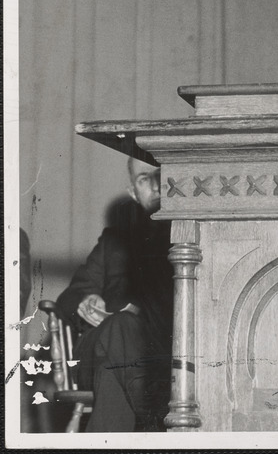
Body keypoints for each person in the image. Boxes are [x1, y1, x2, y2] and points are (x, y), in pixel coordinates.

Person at [56, 158, 173, 432]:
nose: (156, 187)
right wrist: (86, 299)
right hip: (97, 349)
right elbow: (68, 298)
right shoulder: (114, 240)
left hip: (154, 357)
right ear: (133, 191)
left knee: (112, 378)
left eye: (161, 176)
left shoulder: (187, 239)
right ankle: (157, 420)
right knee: (121, 325)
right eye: (145, 179)